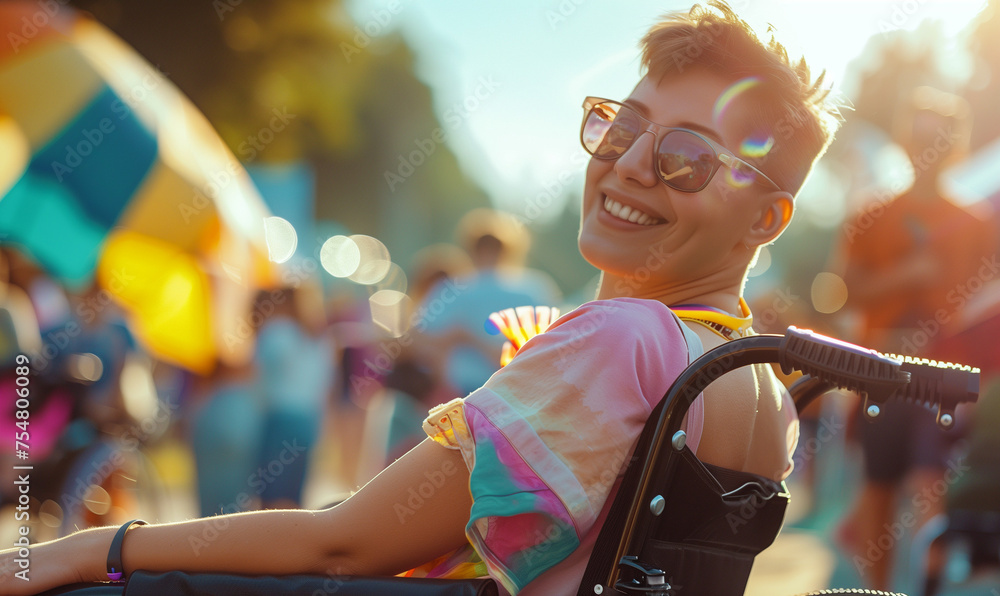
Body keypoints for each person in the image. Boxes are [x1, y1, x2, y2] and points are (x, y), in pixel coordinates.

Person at [0, 3, 839, 594]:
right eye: (622, 129)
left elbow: (344, 542)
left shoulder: (623, 343)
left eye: (685, 157)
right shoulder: (760, 386)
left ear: (765, 218)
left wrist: (90, 551)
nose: (625, 166)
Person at [832, 87, 995, 591]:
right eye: (921, 135)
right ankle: (875, 591)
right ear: (906, 141)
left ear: (956, 145)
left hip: (945, 377)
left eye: (940, 137)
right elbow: (848, 292)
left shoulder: (978, 224)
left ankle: (930, 586)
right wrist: (909, 273)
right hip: (879, 370)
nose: (931, 147)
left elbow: (988, 308)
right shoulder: (871, 215)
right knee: (877, 488)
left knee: (931, 483)